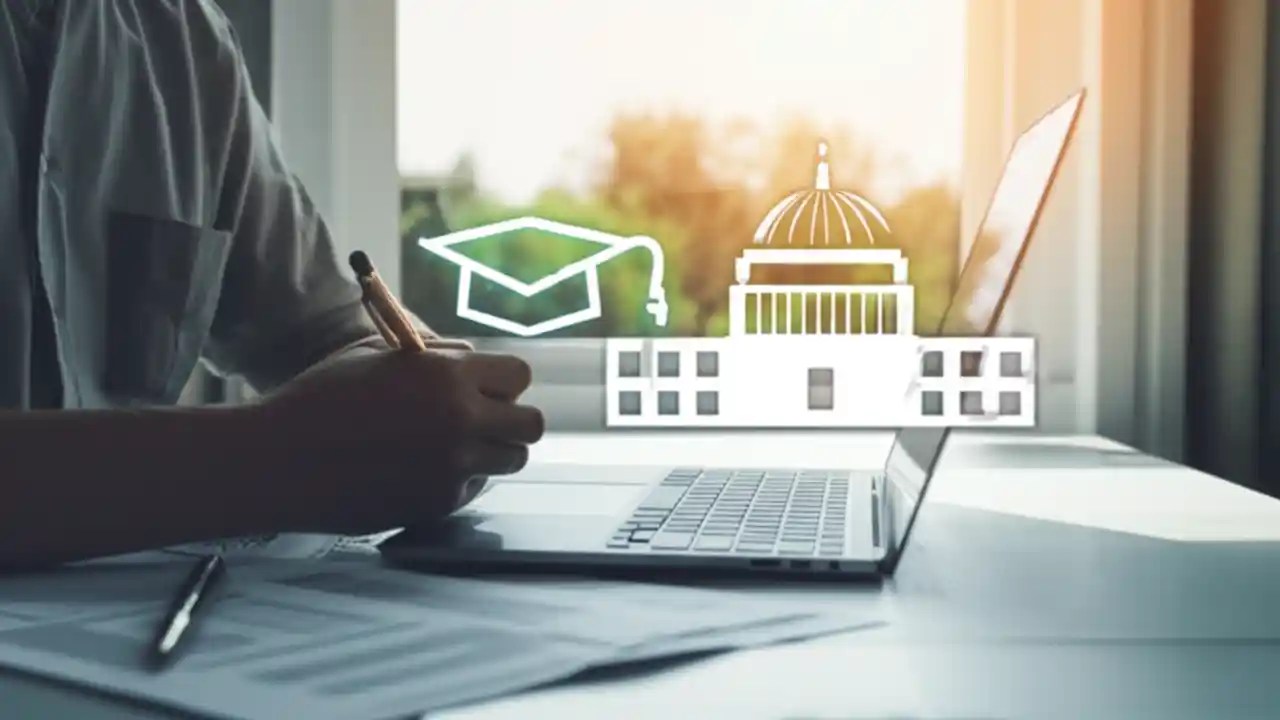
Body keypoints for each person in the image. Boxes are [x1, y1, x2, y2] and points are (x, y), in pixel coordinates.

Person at [0, 1, 544, 570]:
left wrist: (433, 401)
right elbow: (303, 440)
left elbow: (323, 330)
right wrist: (267, 458)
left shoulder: (180, 34)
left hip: (134, 625)